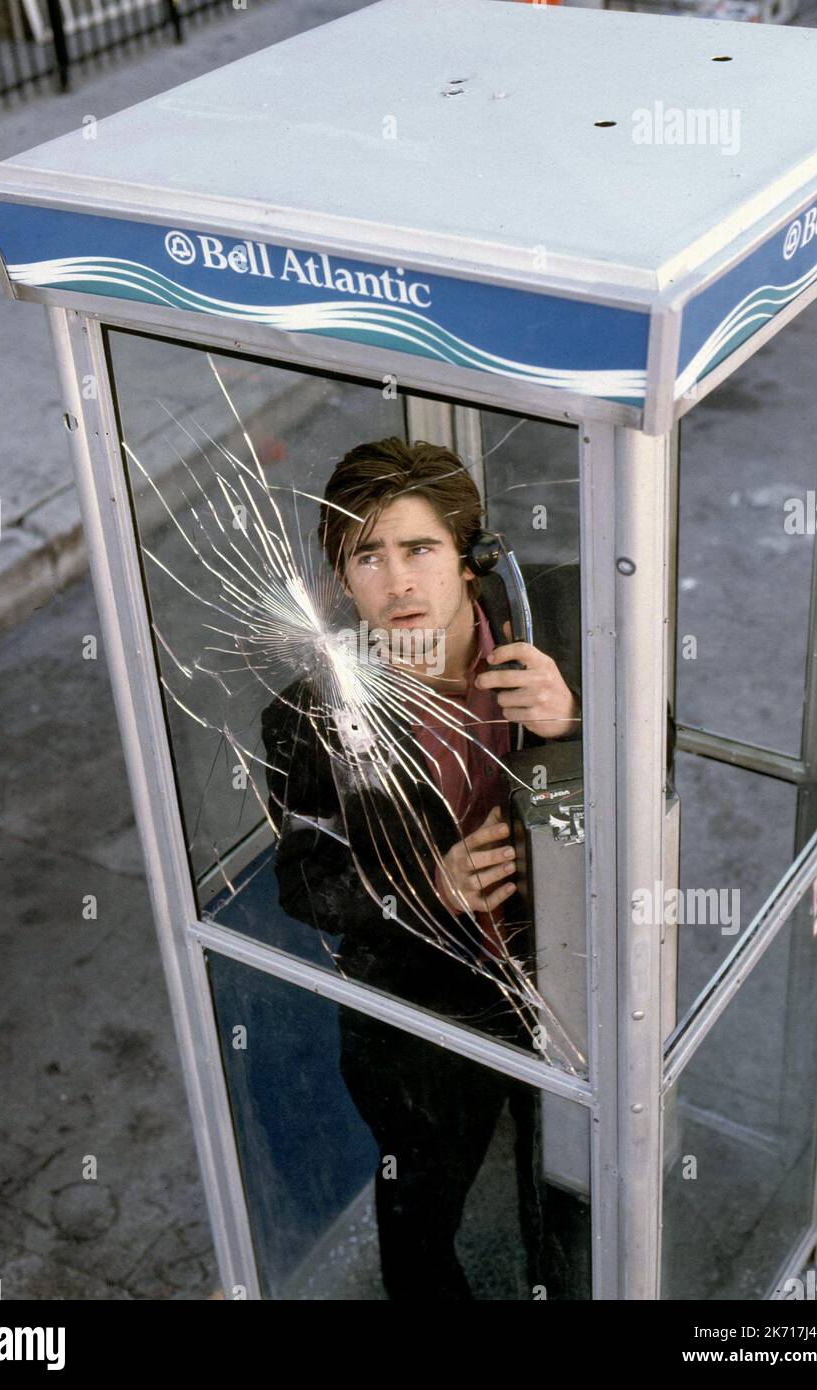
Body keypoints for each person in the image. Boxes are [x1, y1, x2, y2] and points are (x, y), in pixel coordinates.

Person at [260, 436, 590, 1299]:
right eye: (368, 557)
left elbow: (657, 745)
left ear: (472, 558)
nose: (398, 582)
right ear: (342, 579)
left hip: (570, 967)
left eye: (419, 549)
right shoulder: (309, 715)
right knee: (421, 1203)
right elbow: (303, 882)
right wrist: (421, 887)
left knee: (573, 1186)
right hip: (425, 1012)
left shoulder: (561, 615)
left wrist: (574, 721)